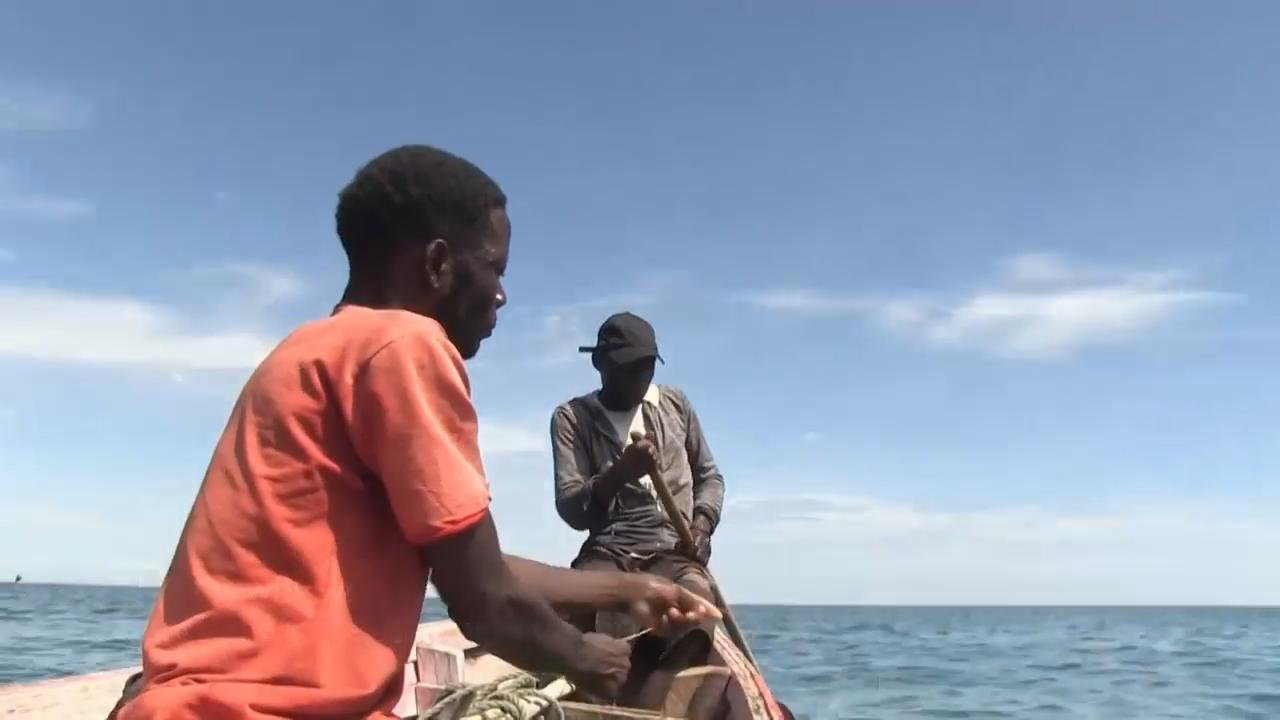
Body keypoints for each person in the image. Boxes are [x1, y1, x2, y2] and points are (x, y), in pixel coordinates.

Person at [113, 146, 717, 720]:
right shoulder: (406, 346)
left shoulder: (308, 351)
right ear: (437, 264)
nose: (502, 294)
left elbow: (476, 566)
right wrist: (590, 660)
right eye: (494, 269)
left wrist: (628, 591)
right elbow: (484, 602)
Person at [550, 312, 727, 705]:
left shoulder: (675, 405)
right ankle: (593, 697)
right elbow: (573, 510)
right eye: (629, 368)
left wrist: (701, 526)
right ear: (600, 364)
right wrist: (619, 473)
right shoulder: (572, 418)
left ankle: (648, 702)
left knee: (698, 612)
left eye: (647, 367)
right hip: (607, 551)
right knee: (571, 613)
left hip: (673, 550)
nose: (639, 378)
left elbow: (710, 477)